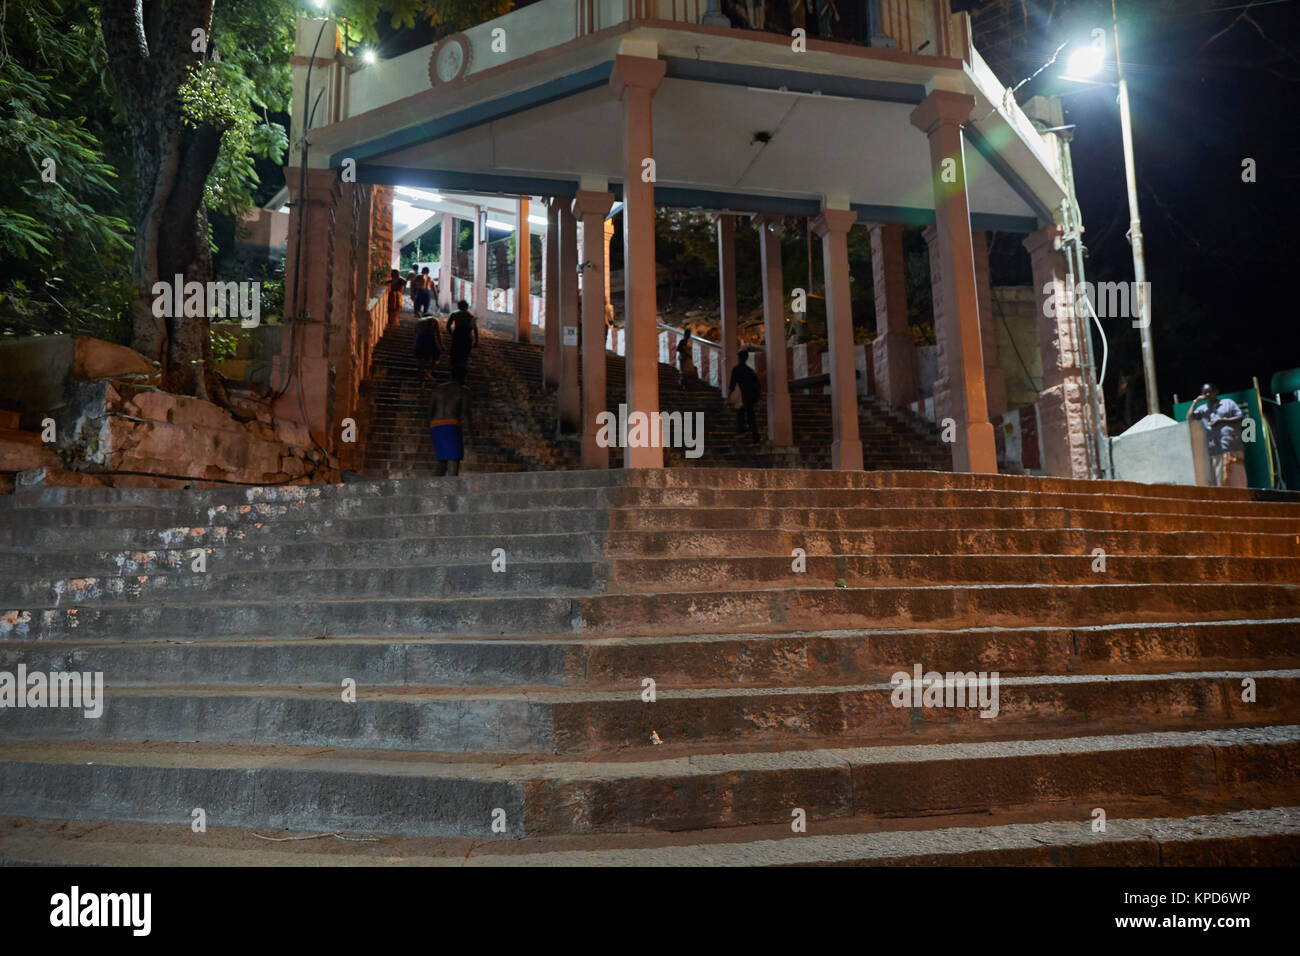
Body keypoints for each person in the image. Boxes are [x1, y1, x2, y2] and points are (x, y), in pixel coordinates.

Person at [1187, 382, 1247, 487]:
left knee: (1238, 482)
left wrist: (1222, 420)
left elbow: (1240, 417)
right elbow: (1189, 418)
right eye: (1205, 393)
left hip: (1233, 448)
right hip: (1217, 451)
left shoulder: (1228, 403)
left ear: (1216, 392)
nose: (1208, 395)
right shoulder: (1202, 410)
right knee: (1222, 482)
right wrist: (1195, 401)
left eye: (1210, 392)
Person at [428, 366, 473, 476]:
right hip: (451, 426)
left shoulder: (438, 389)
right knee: (454, 459)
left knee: (442, 461)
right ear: (464, 377)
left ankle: (433, 488)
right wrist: (471, 434)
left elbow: (430, 411)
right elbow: (465, 414)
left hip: (435, 425)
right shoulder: (463, 390)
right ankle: (451, 489)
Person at [728, 348, 762, 443]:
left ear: (739, 358)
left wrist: (728, 397)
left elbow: (732, 385)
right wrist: (759, 397)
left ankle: (746, 432)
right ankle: (752, 434)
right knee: (747, 413)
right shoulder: (750, 371)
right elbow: (757, 384)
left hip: (747, 395)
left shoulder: (736, 370)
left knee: (746, 414)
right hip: (752, 395)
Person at [447, 299, 479, 379]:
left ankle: (454, 374)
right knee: (464, 356)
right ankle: (462, 375)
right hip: (467, 336)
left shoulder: (454, 314)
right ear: (467, 307)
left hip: (457, 335)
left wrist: (451, 333)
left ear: (459, 306)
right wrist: (476, 341)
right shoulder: (472, 316)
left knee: (455, 354)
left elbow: (448, 326)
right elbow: (474, 329)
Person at [414, 314, 443, 381]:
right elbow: (438, 334)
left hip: (419, 339)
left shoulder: (419, 321)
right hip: (429, 339)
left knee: (420, 358)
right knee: (436, 357)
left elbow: (415, 333)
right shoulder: (434, 320)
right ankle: (428, 372)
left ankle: (420, 376)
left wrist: (415, 343)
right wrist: (441, 345)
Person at [676, 326, 697, 391]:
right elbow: (678, 349)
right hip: (684, 358)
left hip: (688, 358)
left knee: (689, 372)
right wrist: (686, 352)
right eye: (688, 334)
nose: (689, 335)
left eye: (690, 334)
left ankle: (687, 385)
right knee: (684, 372)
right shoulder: (682, 341)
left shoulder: (688, 342)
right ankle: (683, 384)